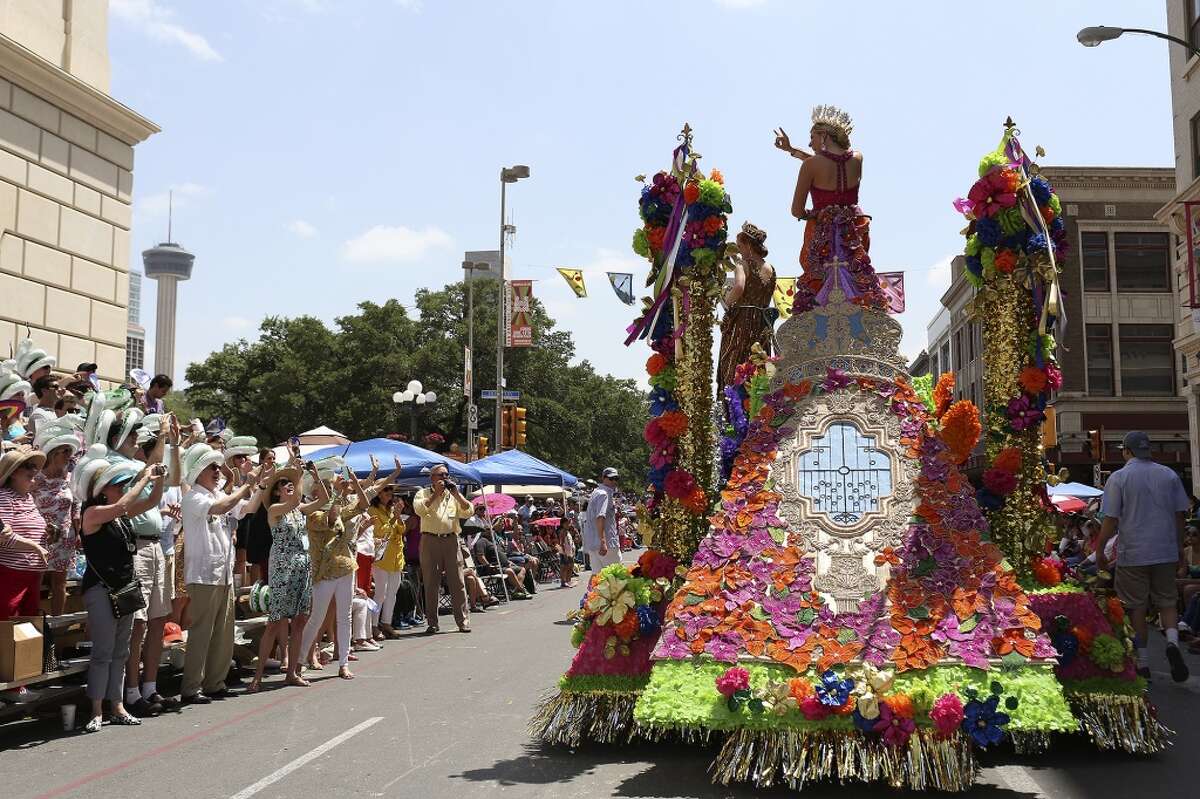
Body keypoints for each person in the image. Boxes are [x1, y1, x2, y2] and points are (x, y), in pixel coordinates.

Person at [1096, 431, 1191, 682]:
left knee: (1136, 606)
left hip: (1134, 552)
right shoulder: (1169, 475)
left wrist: (1100, 548)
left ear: (1127, 451)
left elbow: (1111, 519)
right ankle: (1172, 643)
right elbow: (1179, 516)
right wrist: (1180, 548)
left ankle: (1144, 663)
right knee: (1167, 601)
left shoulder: (1119, 478)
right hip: (1165, 550)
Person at [774, 106, 887, 313]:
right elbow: (834, 161)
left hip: (822, 239)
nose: (810, 143)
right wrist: (793, 151)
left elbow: (796, 211)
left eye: (812, 137)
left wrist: (816, 214)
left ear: (824, 135)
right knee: (859, 288)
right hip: (852, 235)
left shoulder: (810, 167)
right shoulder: (858, 159)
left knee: (817, 295)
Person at [79, 461, 163, 732]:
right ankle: (96, 710)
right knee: (103, 652)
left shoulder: (118, 516)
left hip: (125, 588)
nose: (122, 489)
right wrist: (144, 477)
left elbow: (152, 500)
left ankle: (117, 706)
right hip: (102, 589)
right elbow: (123, 505)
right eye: (118, 485)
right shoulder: (92, 513)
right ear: (104, 491)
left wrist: (158, 478)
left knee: (121, 651)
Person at [180, 444, 266, 703]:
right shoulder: (195, 496)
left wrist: (260, 485)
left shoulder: (217, 493)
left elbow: (247, 508)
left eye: (218, 467)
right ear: (198, 471)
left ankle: (214, 682)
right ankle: (191, 686)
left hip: (223, 573)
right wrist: (246, 485)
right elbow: (220, 507)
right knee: (202, 632)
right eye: (212, 467)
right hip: (204, 574)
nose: (218, 471)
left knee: (224, 632)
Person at [248, 465, 321, 691]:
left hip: (302, 567)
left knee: (299, 620)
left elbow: (324, 501)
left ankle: (293, 673)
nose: (288, 486)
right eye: (283, 485)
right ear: (277, 492)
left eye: (289, 483)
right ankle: (257, 678)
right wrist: (298, 476)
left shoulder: (298, 509)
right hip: (283, 569)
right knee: (274, 623)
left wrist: (316, 476)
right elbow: (294, 499)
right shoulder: (276, 509)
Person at [299, 468, 369, 679]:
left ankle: (343, 663)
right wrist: (338, 493)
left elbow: (364, 505)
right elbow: (329, 518)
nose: (330, 491)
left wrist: (356, 483)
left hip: (346, 567)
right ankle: (299, 660)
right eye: (326, 488)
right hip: (324, 572)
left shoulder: (338, 510)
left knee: (344, 617)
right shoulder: (312, 514)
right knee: (316, 618)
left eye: (330, 488)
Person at [413, 464, 473, 634]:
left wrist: (458, 495)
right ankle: (432, 623)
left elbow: (468, 511)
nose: (445, 478)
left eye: (447, 475)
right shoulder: (422, 493)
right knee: (431, 583)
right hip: (430, 540)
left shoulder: (453, 495)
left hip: (451, 540)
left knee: (458, 582)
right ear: (432, 477)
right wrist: (434, 495)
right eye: (441, 475)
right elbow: (420, 510)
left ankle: (463, 621)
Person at [32, 418, 81, 616]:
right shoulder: (35, 478)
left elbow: (76, 505)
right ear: (53, 453)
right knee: (36, 579)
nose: (70, 456)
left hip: (64, 537)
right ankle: (33, 622)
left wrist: (78, 533)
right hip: (39, 536)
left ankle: (56, 624)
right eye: (65, 452)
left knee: (60, 582)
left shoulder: (70, 478)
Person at [718, 223, 777, 390]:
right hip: (763, 323)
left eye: (739, 246)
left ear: (749, 246)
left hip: (742, 323)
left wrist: (727, 302)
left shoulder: (741, 264)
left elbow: (738, 287)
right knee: (759, 366)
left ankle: (735, 406)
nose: (738, 250)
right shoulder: (770, 267)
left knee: (734, 364)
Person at [0, 446, 49, 620]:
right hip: (11, 573)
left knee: (28, 624)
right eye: (29, 473)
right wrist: (35, 547)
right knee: (7, 623)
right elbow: (3, 536)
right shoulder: (4, 497)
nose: (34, 479)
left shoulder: (28, 498)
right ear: (13, 473)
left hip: (31, 574)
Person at [371, 485, 407, 639]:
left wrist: (397, 516)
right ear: (378, 493)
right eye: (386, 491)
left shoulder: (390, 509)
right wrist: (394, 517)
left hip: (396, 557)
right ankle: (373, 625)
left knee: (392, 593)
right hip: (382, 558)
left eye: (391, 492)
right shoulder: (372, 511)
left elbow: (401, 530)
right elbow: (380, 532)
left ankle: (386, 623)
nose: (390, 495)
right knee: (380, 593)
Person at [473, 526, 530, 600]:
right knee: (509, 571)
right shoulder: (481, 541)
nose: (491, 531)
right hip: (492, 568)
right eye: (488, 530)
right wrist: (489, 565)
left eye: (492, 529)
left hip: (503, 566)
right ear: (483, 532)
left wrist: (508, 562)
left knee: (522, 569)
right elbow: (480, 557)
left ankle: (515, 591)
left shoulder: (492, 541)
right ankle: (522, 590)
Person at [583, 467, 622, 572]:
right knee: (615, 578)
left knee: (598, 579)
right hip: (606, 544)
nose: (614, 481)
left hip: (593, 544)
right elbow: (600, 517)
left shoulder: (596, 492)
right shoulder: (604, 494)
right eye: (611, 478)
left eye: (616, 478)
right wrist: (603, 541)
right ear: (603, 478)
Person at [558, 514, 578, 588]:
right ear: (563, 524)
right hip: (565, 552)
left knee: (570, 566)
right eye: (566, 523)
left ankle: (568, 580)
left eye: (568, 523)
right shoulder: (562, 532)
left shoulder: (568, 532)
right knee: (565, 567)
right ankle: (563, 581)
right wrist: (564, 553)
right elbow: (562, 543)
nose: (568, 525)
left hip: (570, 552)